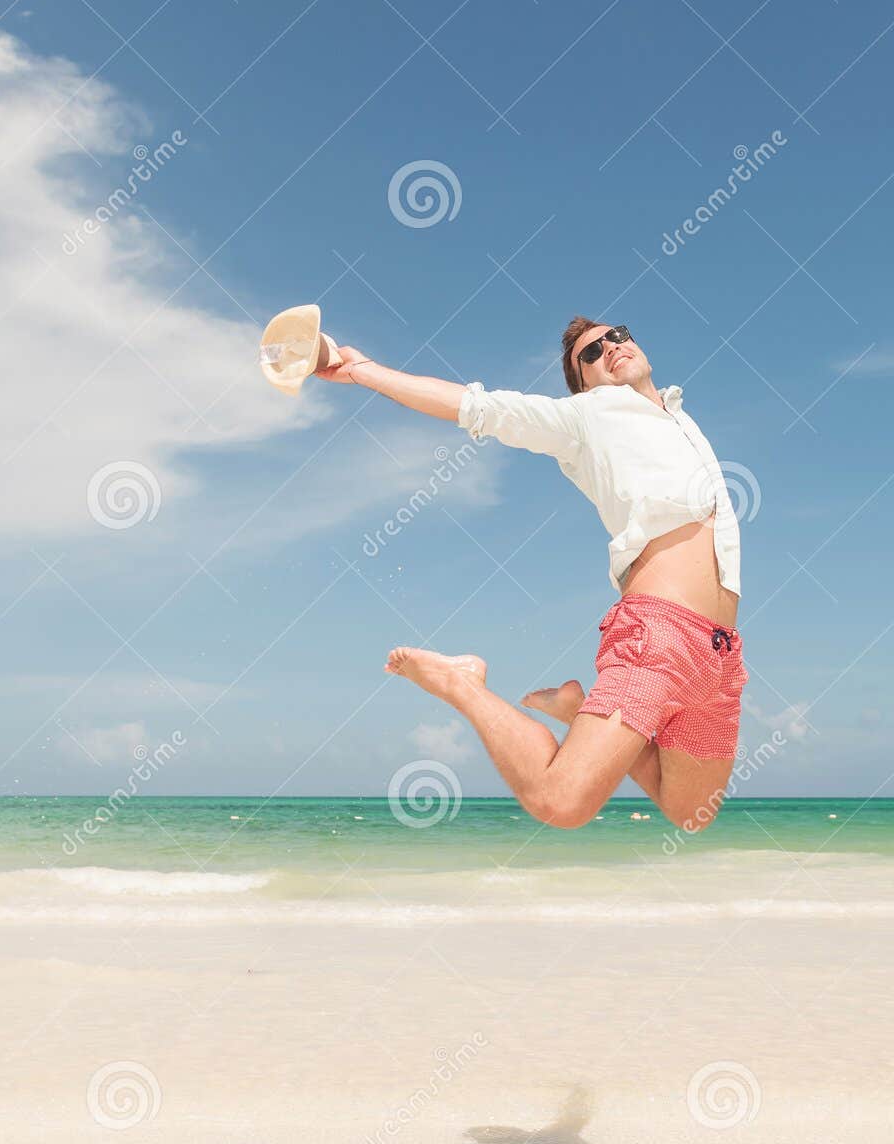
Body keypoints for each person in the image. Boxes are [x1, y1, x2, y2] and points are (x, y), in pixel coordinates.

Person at [315, 318, 747, 831]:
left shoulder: (679, 417)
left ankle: (577, 711)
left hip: (720, 653)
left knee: (690, 813)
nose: (609, 348)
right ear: (584, 384)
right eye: (590, 354)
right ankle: (462, 683)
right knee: (560, 802)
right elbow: (475, 406)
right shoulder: (587, 417)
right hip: (659, 633)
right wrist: (362, 369)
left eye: (616, 335)